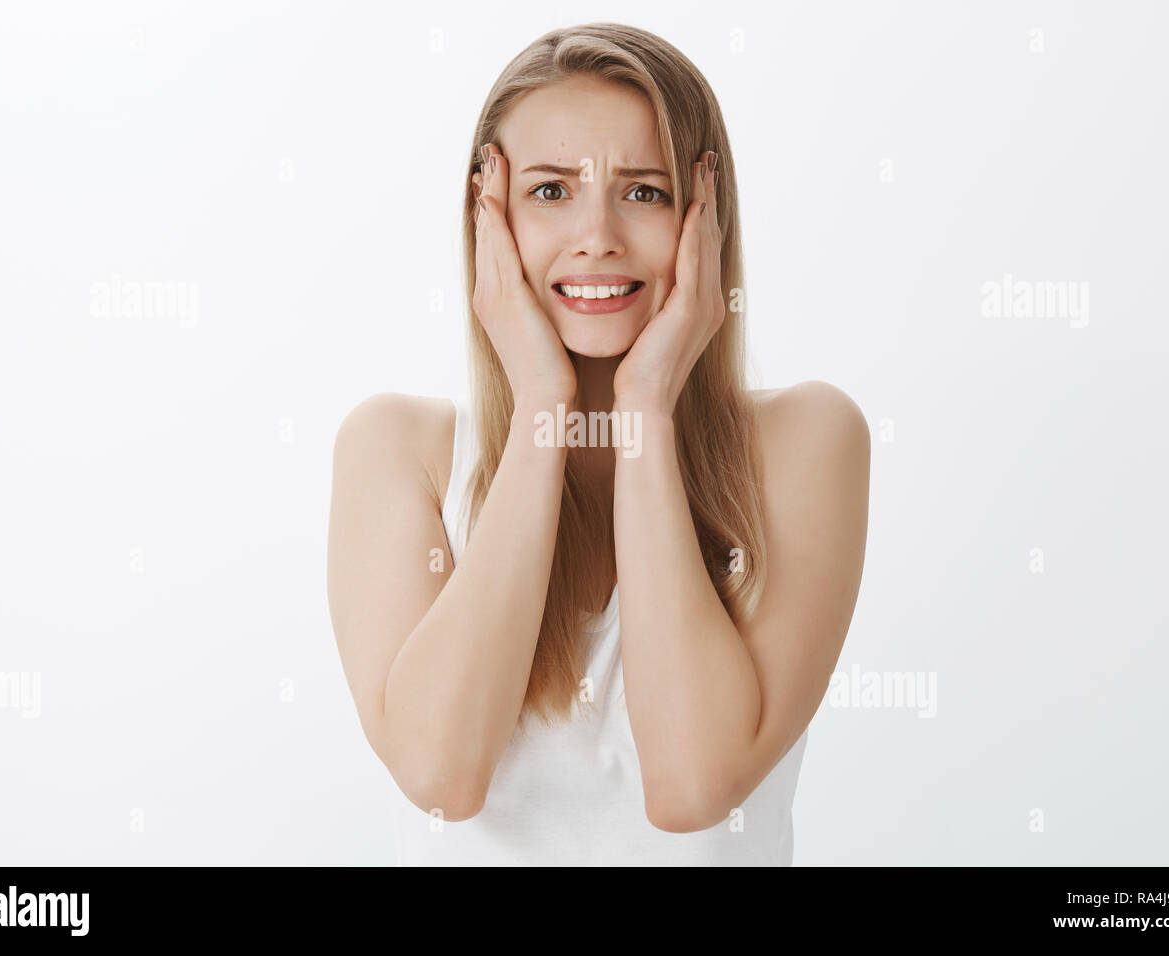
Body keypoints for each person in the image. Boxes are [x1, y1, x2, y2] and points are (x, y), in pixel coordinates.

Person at [326, 22, 870, 865]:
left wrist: (645, 405)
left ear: (705, 217)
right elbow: (441, 774)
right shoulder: (396, 449)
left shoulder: (808, 441)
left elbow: (693, 786)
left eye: (643, 192)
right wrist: (542, 404)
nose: (597, 236)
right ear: (487, 218)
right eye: (550, 192)